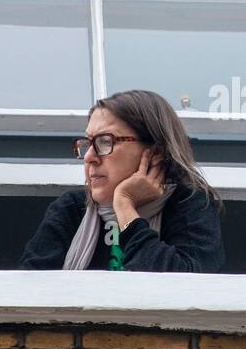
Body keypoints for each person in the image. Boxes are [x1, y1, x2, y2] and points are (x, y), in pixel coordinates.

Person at [17, 89, 225, 273]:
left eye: (105, 141)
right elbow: (27, 296)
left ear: (155, 152)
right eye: (88, 143)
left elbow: (183, 288)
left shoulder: (189, 205)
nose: (89, 156)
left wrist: (125, 206)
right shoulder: (72, 210)